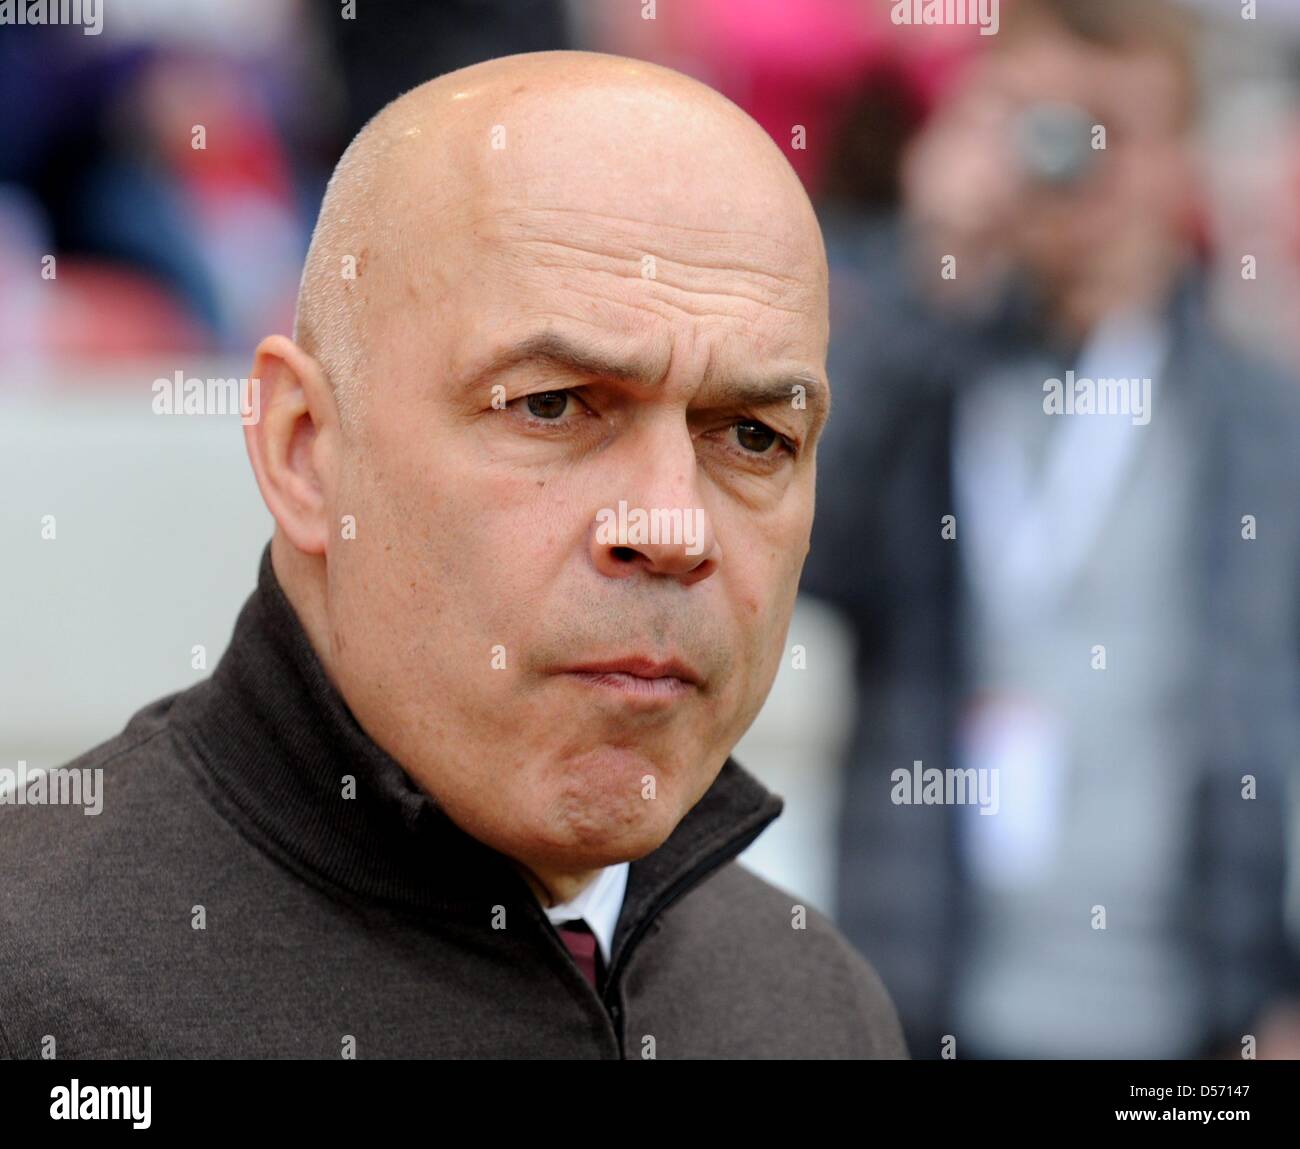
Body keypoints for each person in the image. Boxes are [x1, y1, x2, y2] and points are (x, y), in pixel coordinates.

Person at [0, 49, 907, 1060]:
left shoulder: (810, 1007)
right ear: (305, 449)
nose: (671, 527)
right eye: (552, 407)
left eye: (751, 437)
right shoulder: (36, 990)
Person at [803, 0, 1300, 1059]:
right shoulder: (928, 368)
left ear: (1179, 156)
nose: (1068, 163)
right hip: (928, 1000)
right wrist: (934, 259)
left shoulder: (1260, 421)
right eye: (1040, 123)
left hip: (1190, 1021)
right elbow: (804, 540)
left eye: (1106, 130)